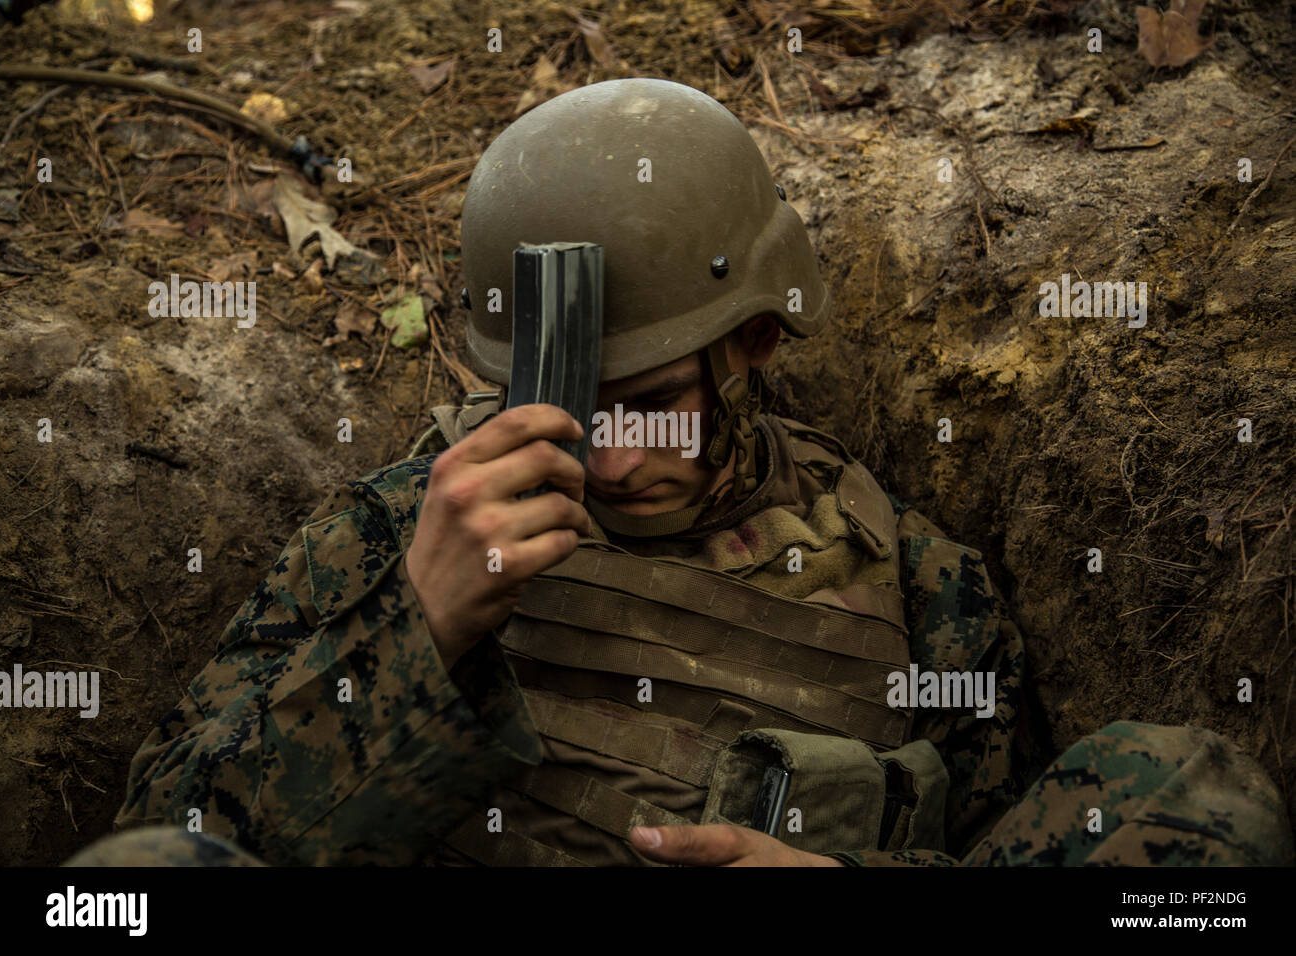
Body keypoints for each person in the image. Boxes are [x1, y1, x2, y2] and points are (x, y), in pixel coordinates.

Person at [104, 78, 1291, 867]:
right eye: (567, 408)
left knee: (1186, 795)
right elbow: (146, 855)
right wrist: (414, 633)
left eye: (653, 404)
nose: (611, 461)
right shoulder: (397, 536)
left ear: (754, 339)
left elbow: (1004, 831)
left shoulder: (915, 580)